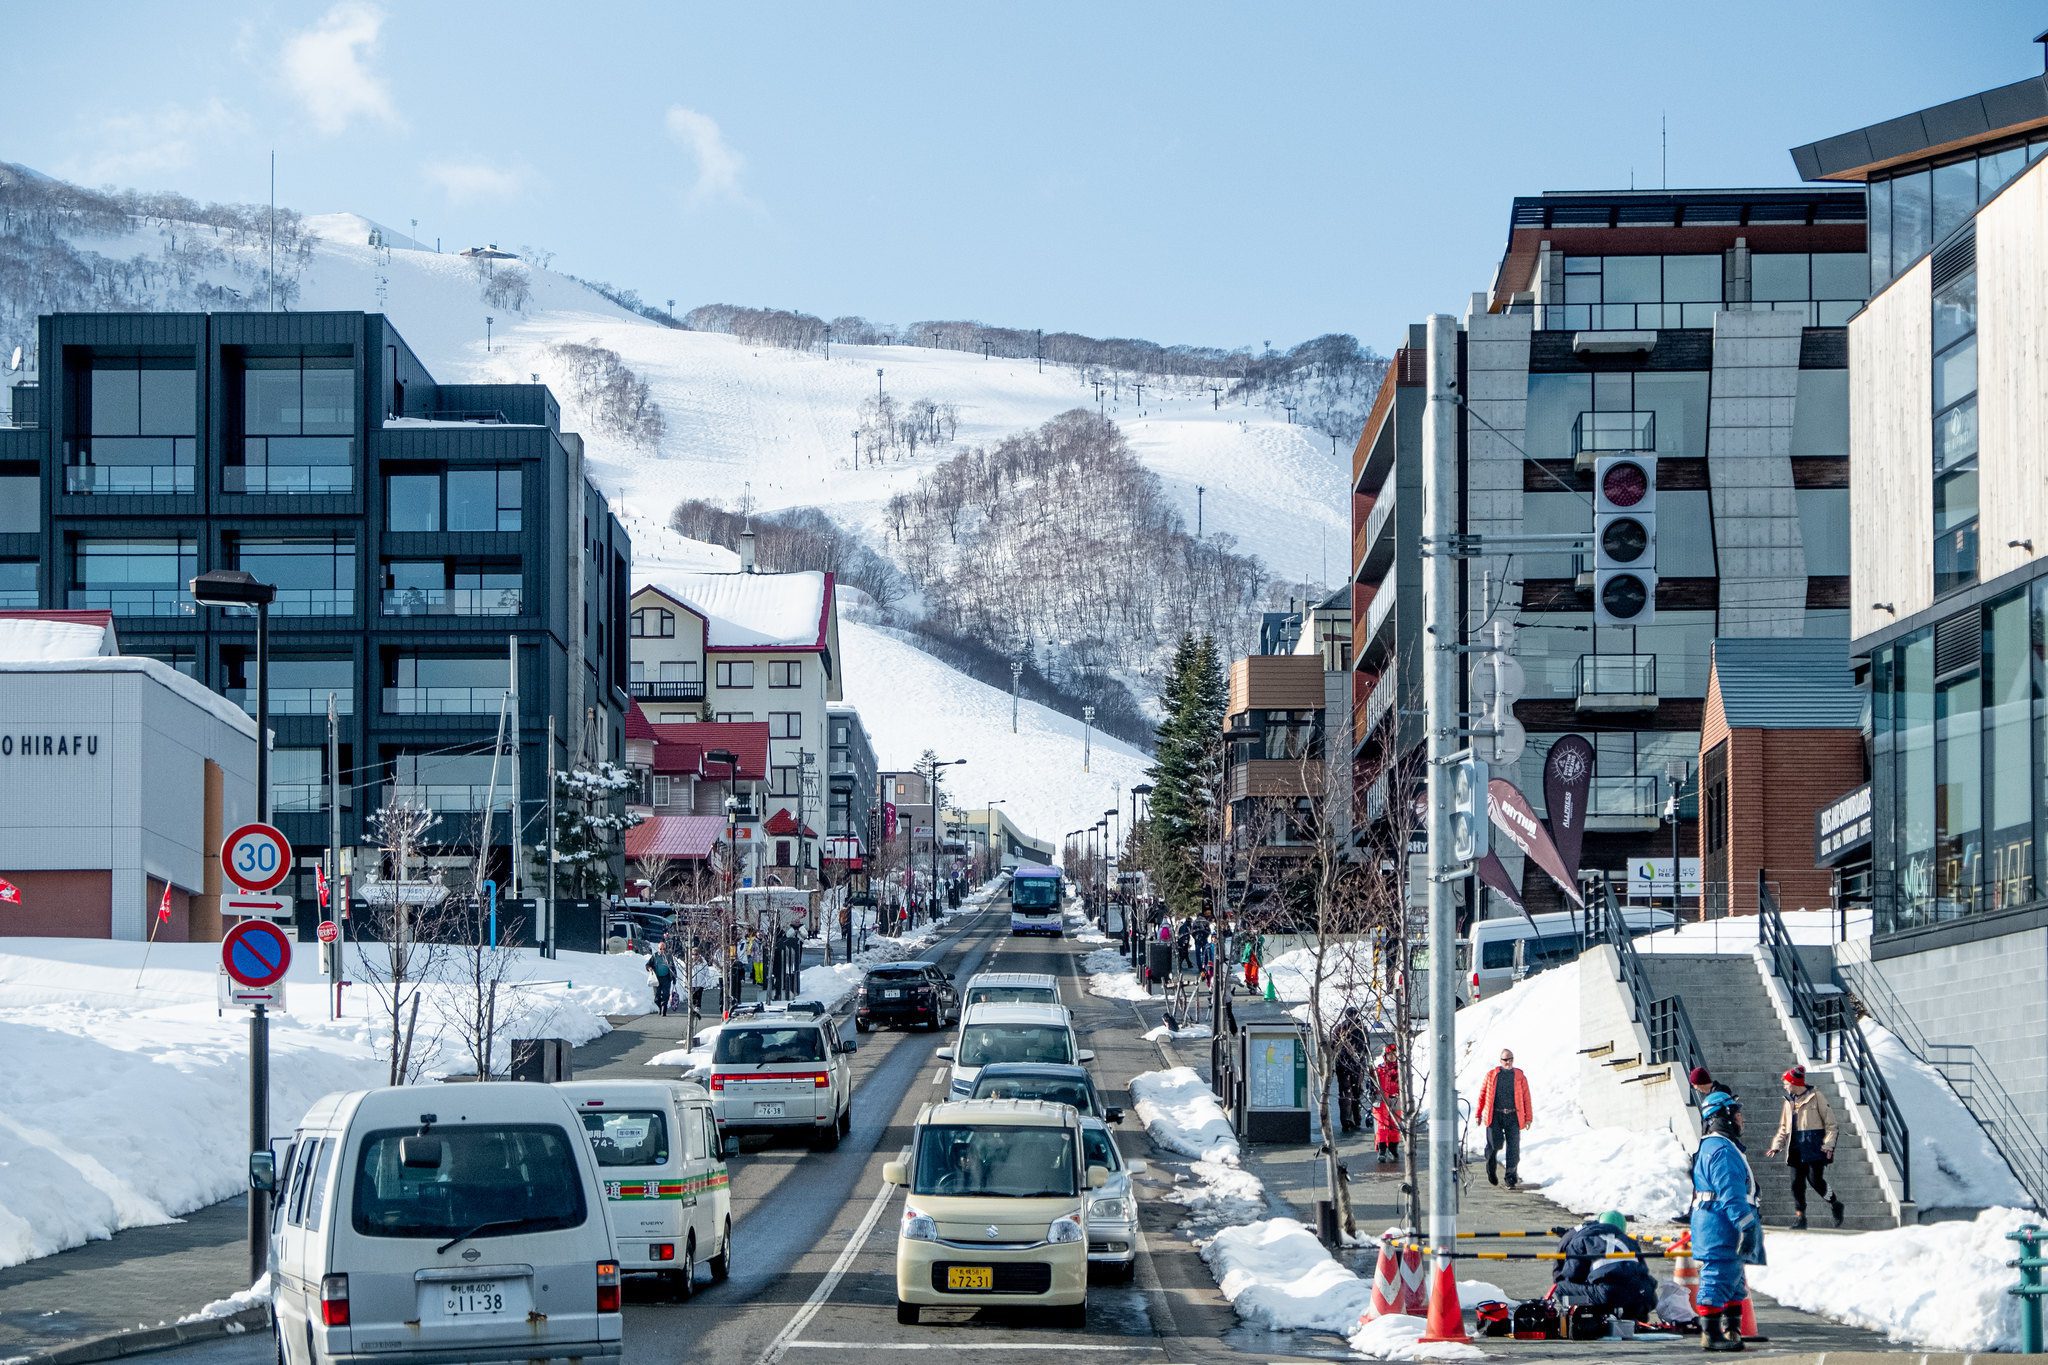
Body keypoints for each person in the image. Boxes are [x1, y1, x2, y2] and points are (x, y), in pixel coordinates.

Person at [1690, 1091, 1763, 1352]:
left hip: (1721, 1222)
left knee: (1733, 1278)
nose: (1741, 1120)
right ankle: (1711, 1334)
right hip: (1721, 1225)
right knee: (1718, 1275)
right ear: (1723, 1117)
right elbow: (1731, 1194)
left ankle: (1732, 1330)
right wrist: (1746, 1225)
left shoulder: (1720, 1146)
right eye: (1737, 1114)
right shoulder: (1720, 1150)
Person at [1765, 1066, 1842, 1229]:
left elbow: (1831, 1124)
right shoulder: (1789, 1101)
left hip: (1814, 1147)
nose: (1785, 1086)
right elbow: (1784, 1127)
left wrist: (1828, 1144)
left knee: (1815, 1181)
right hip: (1795, 1148)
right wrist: (1777, 1145)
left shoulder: (1817, 1096)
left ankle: (1835, 1203)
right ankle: (1800, 1217)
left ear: (1794, 1083)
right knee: (1796, 1183)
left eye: (1786, 1083)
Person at [1552, 1211, 1659, 1323]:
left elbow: (1572, 1276)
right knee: (1627, 1286)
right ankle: (1635, 1315)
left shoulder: (1582, 1239)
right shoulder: (1630, 1241)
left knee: (1561, 1287)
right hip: (1646, 1296)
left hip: (1611, 1294)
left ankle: (1589, 1317)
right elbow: (1643, 1271)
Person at [1476, 1048, 1533, 1188]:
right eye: (1505, 1060)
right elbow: (1482, 1095)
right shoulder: (1491, 1075)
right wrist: (1478, 1113)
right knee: (1495, 1145)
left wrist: (1528, 1118)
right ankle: (1490, 1167)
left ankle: (1510, 1179)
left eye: (1511, 1059)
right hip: (1495, 1115)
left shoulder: (1519, 1076)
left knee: (1513, 1149)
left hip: (1513, 1115)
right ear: (1500, 1061)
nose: (1508, 1062)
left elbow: (1526, 1097)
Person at [1334, 1008, 1368, 1135]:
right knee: (1356, 1091)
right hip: (1356, 1065)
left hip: (1342, 1065)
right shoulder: (1361, 1029)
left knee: (1345, 1093)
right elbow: (1366, 1048)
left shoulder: (1339, 1028)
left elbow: (1333, 1046)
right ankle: (1356, 1119)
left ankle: (1346, 1120)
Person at [647, 947, 675, 1016]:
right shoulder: (655, 956)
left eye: (664, 949)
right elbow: (648, 964)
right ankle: (660, 1007)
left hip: (666, 978)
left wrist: (674, 978)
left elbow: (673, 967)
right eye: (660, 949)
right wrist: (649, 968)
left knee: (666, 994)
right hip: (657, 978)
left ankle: (664, 1009)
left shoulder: (668, 956)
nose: (662, 950)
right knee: (657, 996)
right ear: (658, 949)